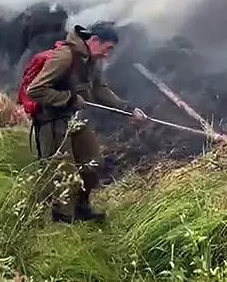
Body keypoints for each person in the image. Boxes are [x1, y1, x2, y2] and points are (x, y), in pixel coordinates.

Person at [25, 22, 146, 223]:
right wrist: (69, 99)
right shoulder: (65, 56)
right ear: (95, 41)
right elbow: (35, 90)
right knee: (63, 173)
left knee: (93, 163)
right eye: (108, 49)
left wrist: (127, 108)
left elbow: (99, 89)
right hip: (53, 123)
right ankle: (63, 221)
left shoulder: (90, 60)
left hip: (75, 120)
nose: (108, 55)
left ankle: (82, 208)